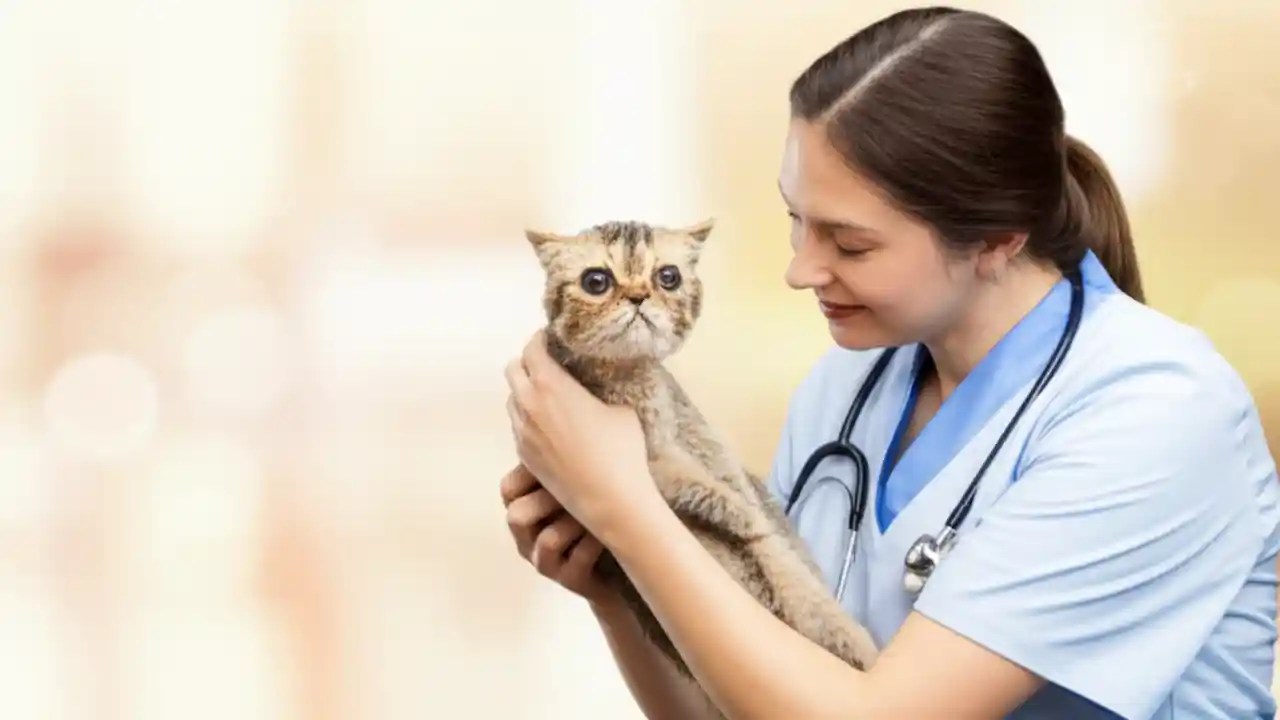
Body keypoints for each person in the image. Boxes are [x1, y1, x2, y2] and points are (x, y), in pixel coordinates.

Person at [500, 7, 1280, 719]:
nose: (800, 270)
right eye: (796, 221)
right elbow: (738, 704)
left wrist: (627, 508)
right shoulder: (848, 390)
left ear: (999, 236)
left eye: (849, 243)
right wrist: (618, 584)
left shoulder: (1157, 412)